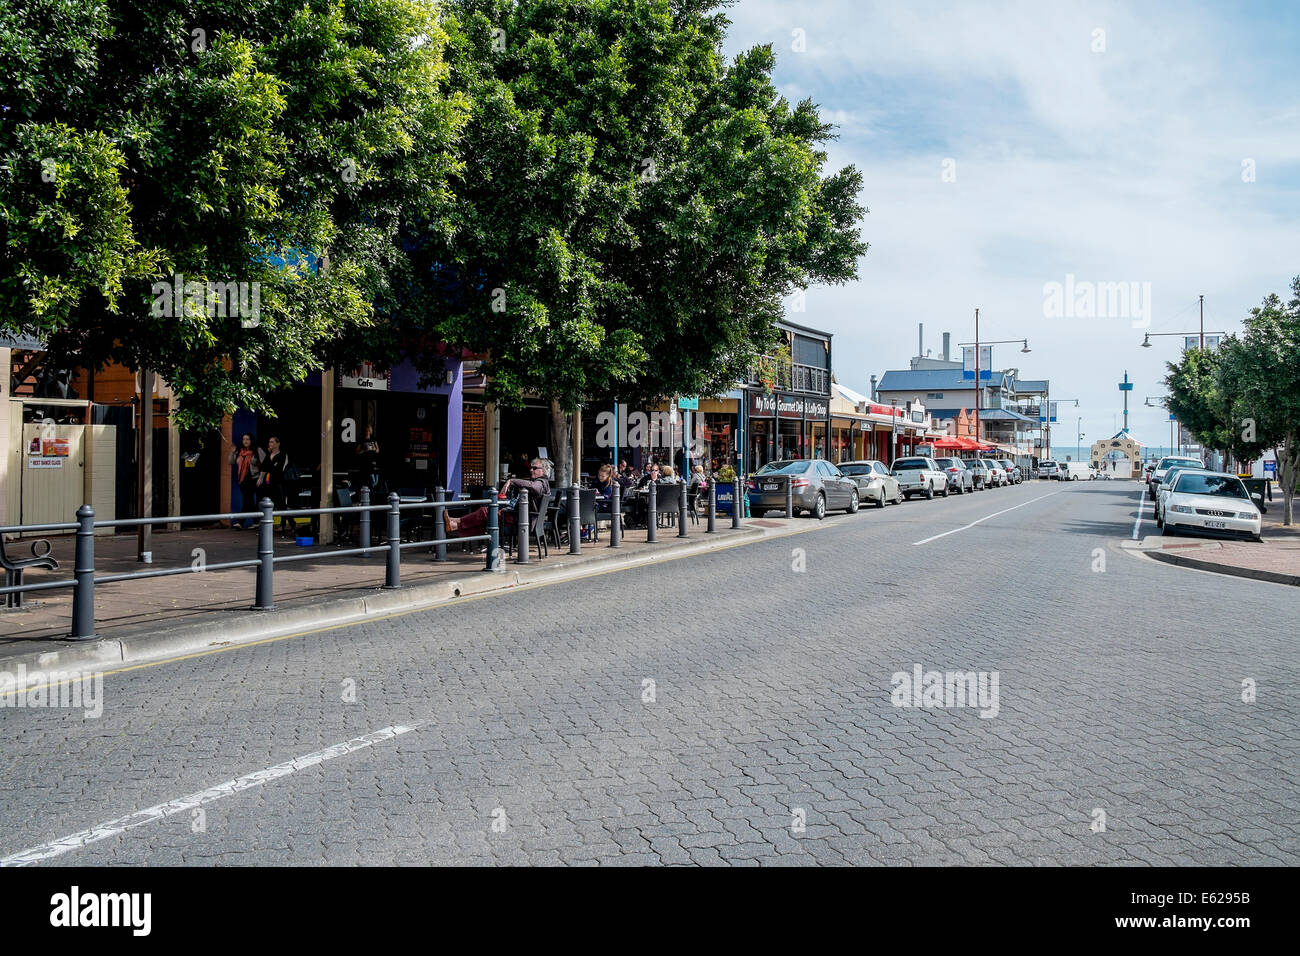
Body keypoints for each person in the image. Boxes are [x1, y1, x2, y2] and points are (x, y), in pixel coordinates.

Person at [445, 457, 550, 541]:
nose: (531, 470)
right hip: (520, 517)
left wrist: (511, 481)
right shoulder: (543, 483)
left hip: (520, 519)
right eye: (531, 467)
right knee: (488, 522)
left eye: (535, 468)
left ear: (543, 471)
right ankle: (455, 526)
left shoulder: (541, 483)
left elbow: (534, 487)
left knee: (484, 512)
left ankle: (457, 521)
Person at [228, 433, 266, 529]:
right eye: (244, 439)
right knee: (248, 501)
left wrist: (261, 478)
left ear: (251, 440)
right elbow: (231, 462)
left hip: (255, 479)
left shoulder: (258, 450)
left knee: (248, 501)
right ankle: (256, 522)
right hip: (243, 480)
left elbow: (265, 465)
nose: (245, 441)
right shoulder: (240, 452)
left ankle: (241, 522)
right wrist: (232, 452)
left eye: (247, 439)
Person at [262, 435, 294, 534]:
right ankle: (290, 523)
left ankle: (285, 524)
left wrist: (272, 464)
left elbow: (279, 469)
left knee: (282, 504)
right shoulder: (269, 455)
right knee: (273, 504)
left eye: (272, 442)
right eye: (269, 442)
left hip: (280, 483)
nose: (270, 444)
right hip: (270, 482)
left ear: (277, 443)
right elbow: (264, 467)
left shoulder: (283, 455)